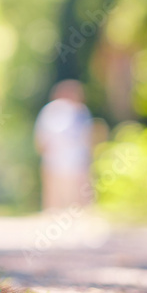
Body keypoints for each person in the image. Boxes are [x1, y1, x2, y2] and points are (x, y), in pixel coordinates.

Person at [34, 80, 94, 211]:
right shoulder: (51, 111)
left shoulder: (82, 112)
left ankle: (81, 223)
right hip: (55, 163)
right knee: (55, 200)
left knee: (78, 199)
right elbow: (42, 139)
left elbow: (87, 137)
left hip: (77, 163)